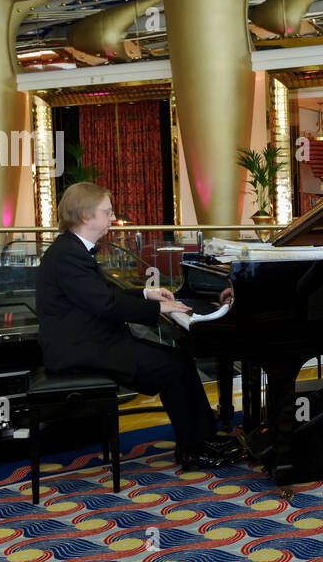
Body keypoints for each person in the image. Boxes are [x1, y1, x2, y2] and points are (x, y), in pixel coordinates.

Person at [36, 182, 242, 470]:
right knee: (174, 367)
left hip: (90, 341)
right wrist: (159, 308)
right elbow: (105, 305)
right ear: (85, 216)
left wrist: (147, 294)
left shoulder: (70, 249)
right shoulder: (69, 254)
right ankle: (193, 450)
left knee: (178, 361)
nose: (112, 218)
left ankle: (203, 438)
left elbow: (102, 296)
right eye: (107, 212)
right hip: (82, 350)